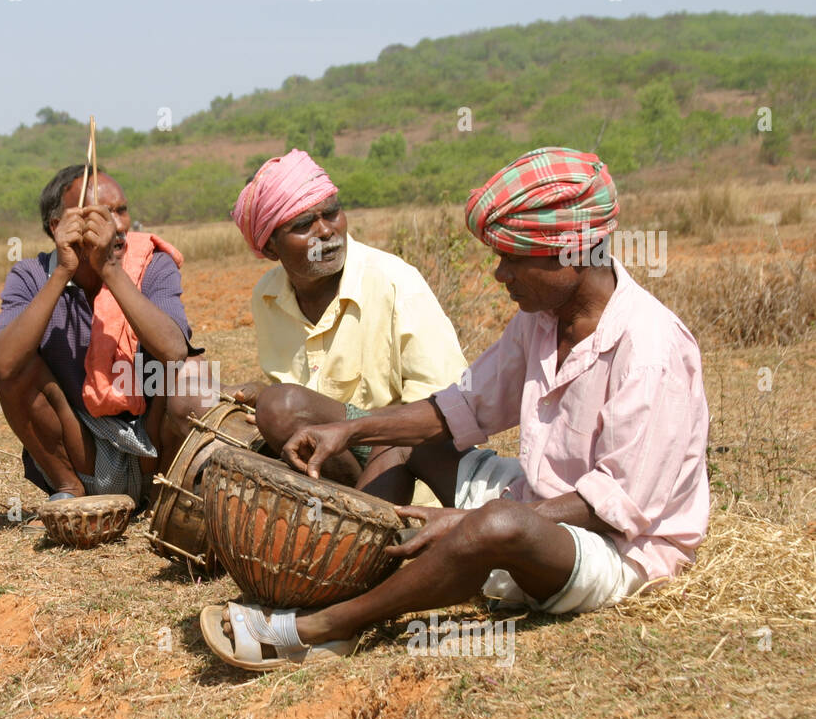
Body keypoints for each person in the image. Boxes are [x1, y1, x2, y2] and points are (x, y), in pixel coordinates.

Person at [200, 147, 710, 670]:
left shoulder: (650, 349)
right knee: (409, 448)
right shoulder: (543, 319)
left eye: (513, 257)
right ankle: (342, 584)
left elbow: (615, 505)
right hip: (540, 499)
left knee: (496, 526)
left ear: (572, 251)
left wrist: (464, 521)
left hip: (622, 551)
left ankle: (326, 625)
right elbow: (458, 408)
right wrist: (347, 432)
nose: (499, 275)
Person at [225, 150, 468, 506]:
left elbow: (445, 406)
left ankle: (367, 514)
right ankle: (341, 511)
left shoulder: (394, 282)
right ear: (271, 247)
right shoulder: (267, 295)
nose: (325, 231)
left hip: (405, 456)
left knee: (282, 406)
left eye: (332, 212)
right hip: (334, 460)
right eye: (303, 224)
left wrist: (317, 418)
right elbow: (301, 399)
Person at [0, 165, 204, 507]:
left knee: (194, 374)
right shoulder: (31, 275)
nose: (116, 225)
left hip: (152, 447)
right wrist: (63, 272)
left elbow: (173, 350)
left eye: (121, 210)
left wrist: (110, 270)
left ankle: (164, 495)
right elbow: (4, 362)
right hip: (80, 449)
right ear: (58, 227)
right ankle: (70, 490)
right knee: (15, 374)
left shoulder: (153, 263)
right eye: (99, 214)